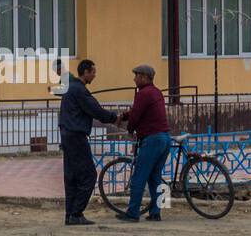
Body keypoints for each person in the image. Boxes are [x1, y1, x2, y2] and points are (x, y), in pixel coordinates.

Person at [57, 59, 119, 226]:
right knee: (89, 175)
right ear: (85, 72)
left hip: (67, 136)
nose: (94, 75)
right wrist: (115, 118)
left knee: (71, 178)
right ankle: (76, 213)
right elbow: (96, 110)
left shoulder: (70, 89)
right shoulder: (80, 90)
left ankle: (70, 215)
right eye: (93, 72)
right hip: (77, 136)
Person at [118, 64, 170, 222]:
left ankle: (133, 212)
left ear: (145, 77)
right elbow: (137, 111)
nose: (135, 79)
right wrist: (125, 116)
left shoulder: (143, 93)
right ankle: (155, 213)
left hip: (152, 139)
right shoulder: (156, 92)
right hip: (164, 138)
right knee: (155, 177)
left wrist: (129, 130)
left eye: (137, 76)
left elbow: (136, 115)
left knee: (139, 177)